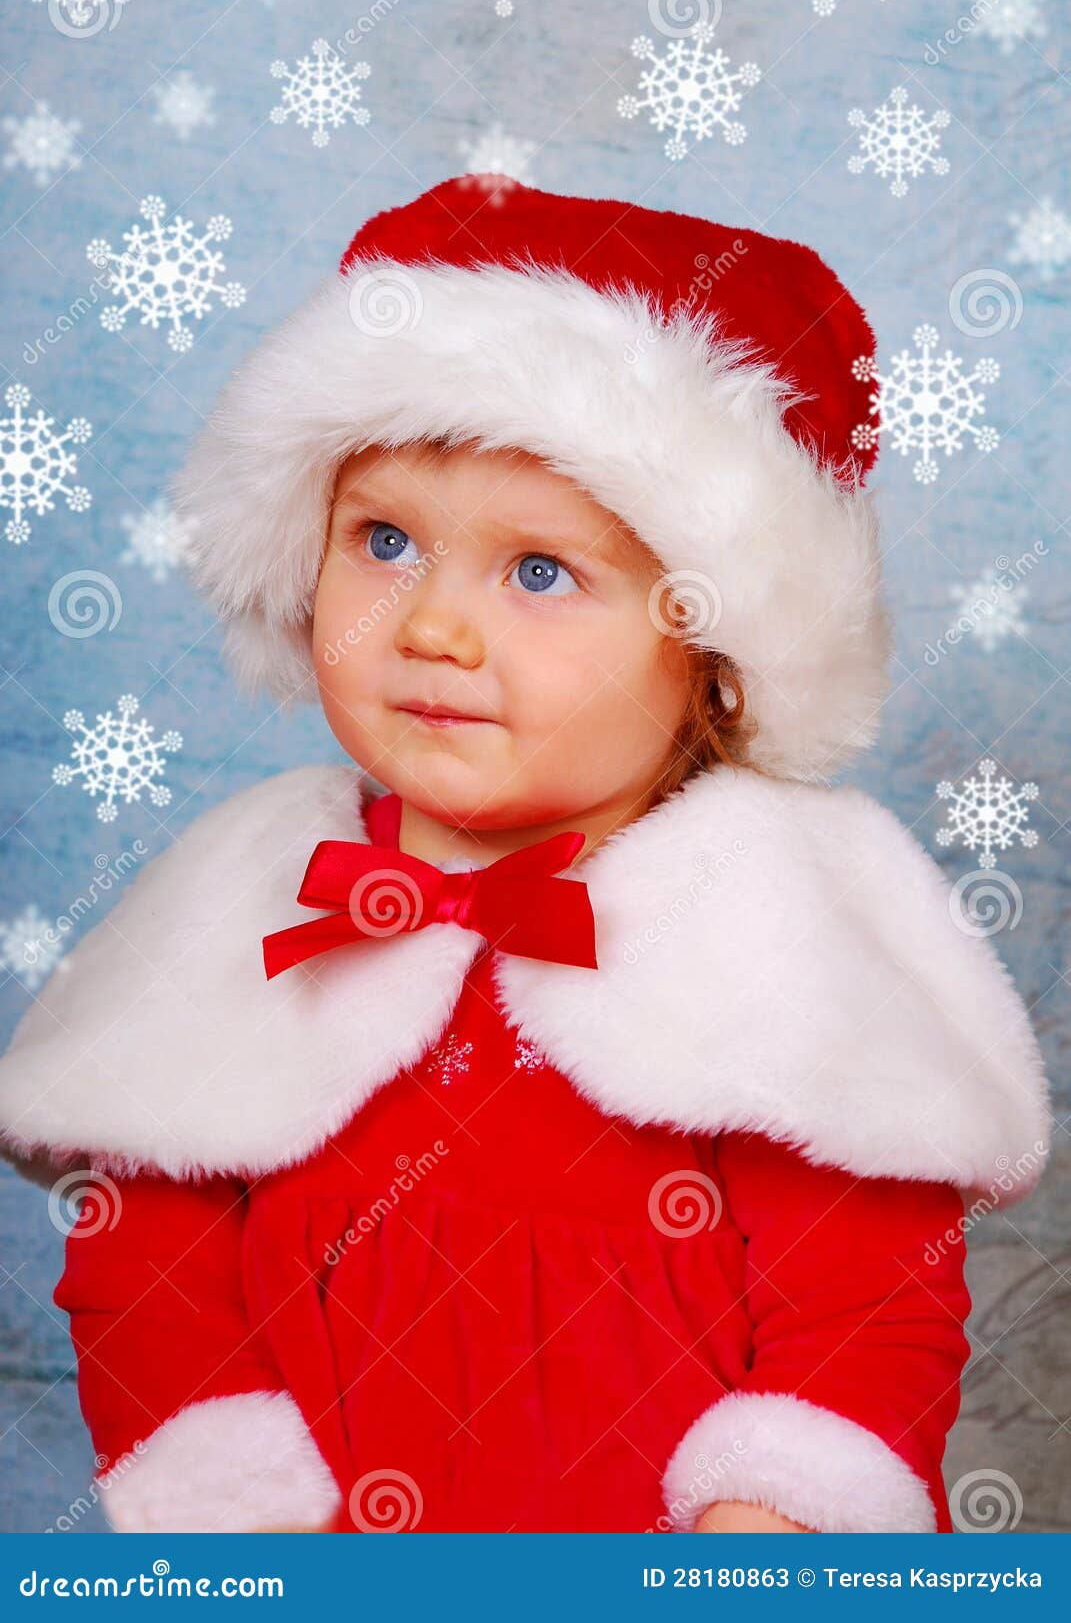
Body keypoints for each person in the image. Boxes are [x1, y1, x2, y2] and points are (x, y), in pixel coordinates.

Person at [0, 177, 1050, 1535]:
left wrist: (761, 1534)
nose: (432, 624)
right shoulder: (244, 893)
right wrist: (239, 1521)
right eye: (383, 539)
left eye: (539, 571)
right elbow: (144, 1252)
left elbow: (862, 1309)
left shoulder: (777, 924)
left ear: (713, 650)